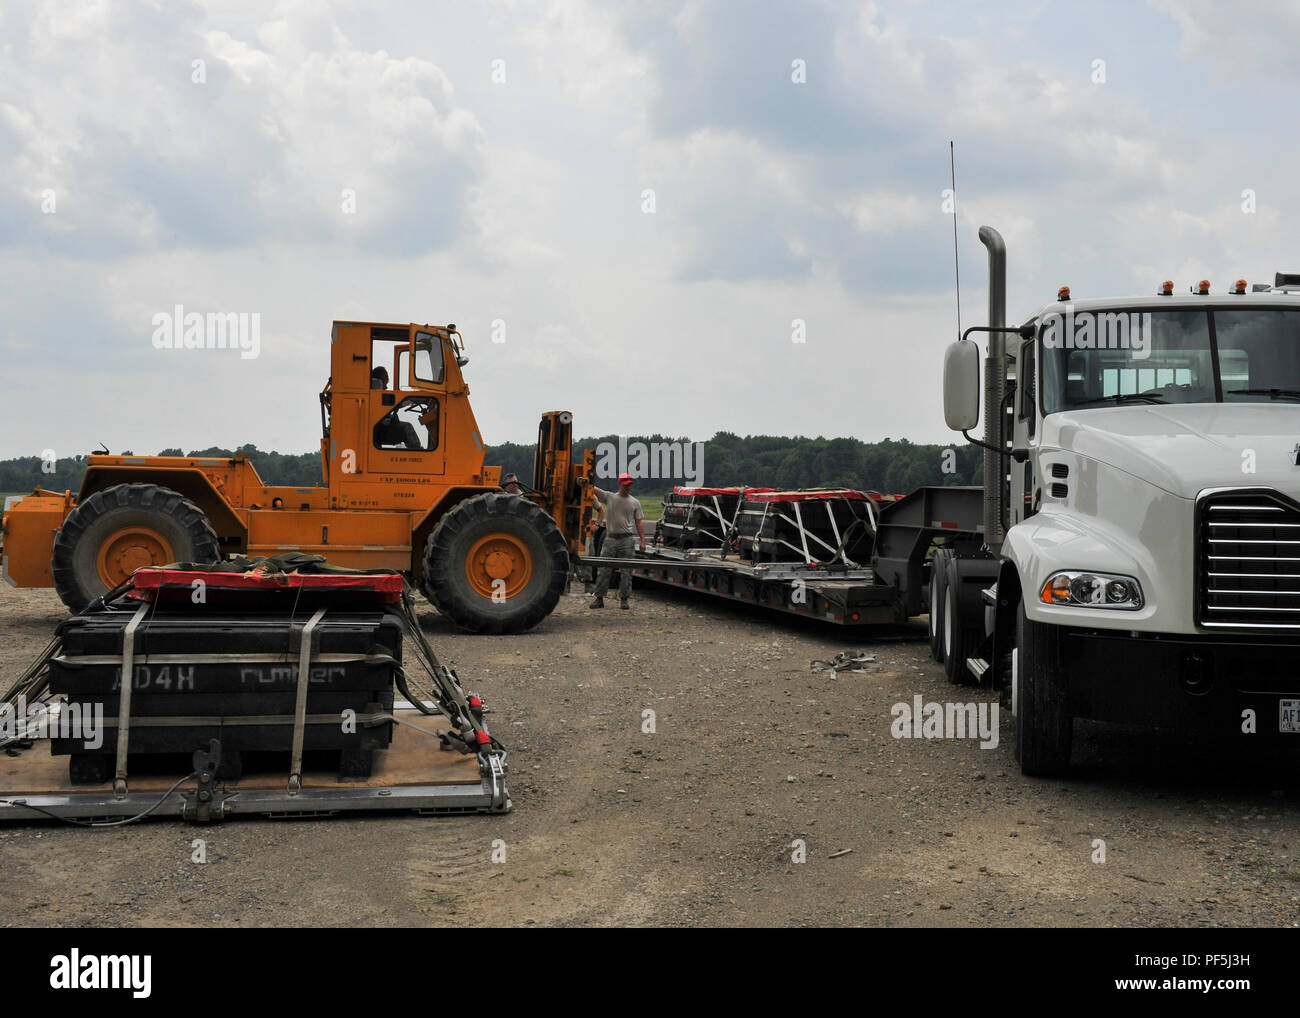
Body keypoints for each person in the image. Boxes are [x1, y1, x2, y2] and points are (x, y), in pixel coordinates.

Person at [579, 473, 644, 609]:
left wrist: (643, 541)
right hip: (611, 539)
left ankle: (624, 599)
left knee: (626, 572)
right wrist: (585, 481)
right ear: (619, 484)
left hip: (627, 540)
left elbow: (639, 523)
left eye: (629, 485)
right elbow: (594, 490)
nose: (628, 488)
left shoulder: (635, 502)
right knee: (604, 570)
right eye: (625, 485)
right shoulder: (610, 497)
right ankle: (599, 598)